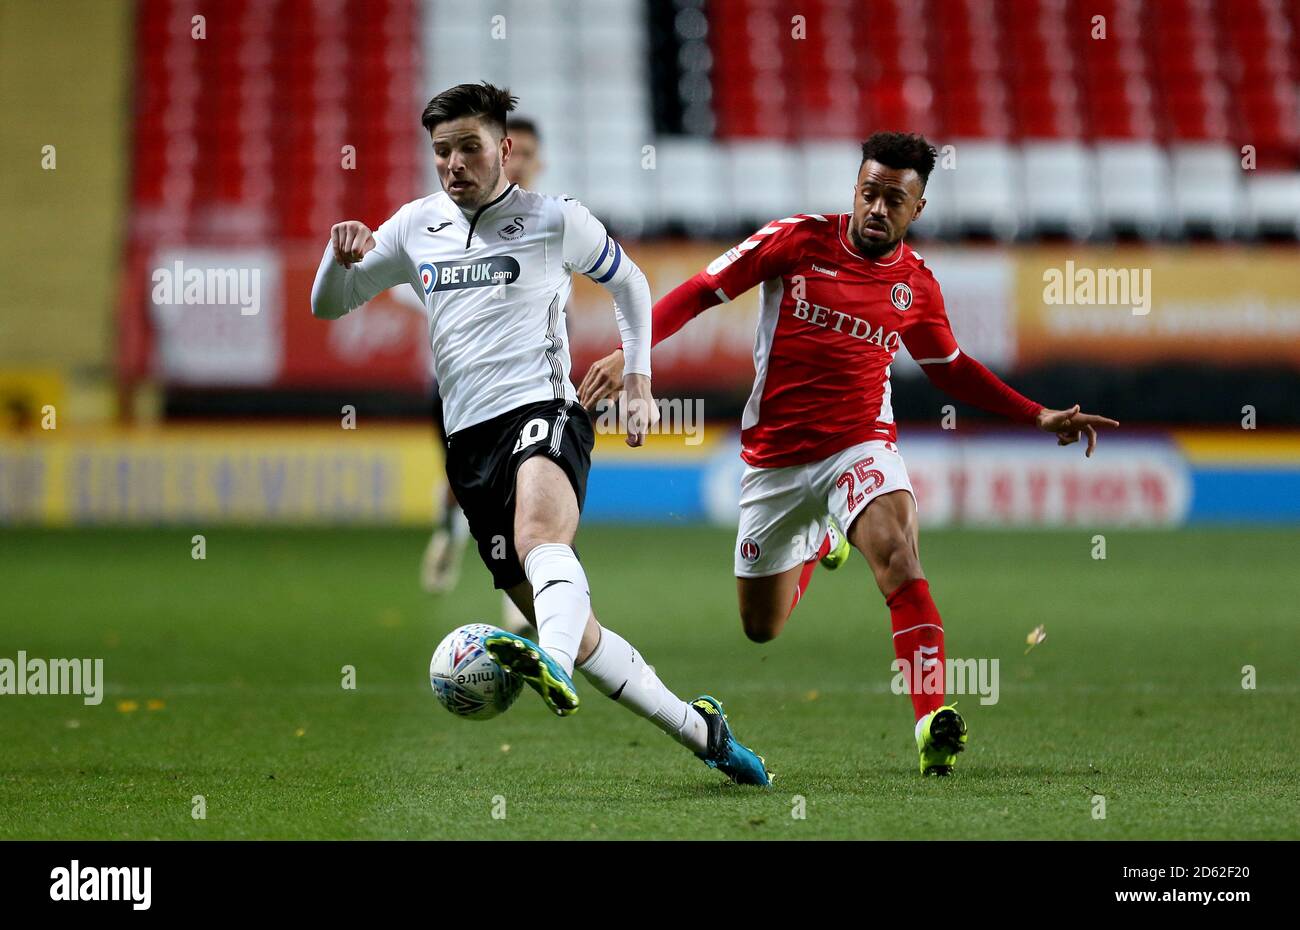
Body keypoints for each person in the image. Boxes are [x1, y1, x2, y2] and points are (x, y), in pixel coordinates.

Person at [579, 131, 1118, 776]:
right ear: (855, 190)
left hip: (859, 445)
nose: (877, 209)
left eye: (895, 199)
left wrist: (1036, 413)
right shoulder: (796, 240)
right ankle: (820, 542)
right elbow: (700, 291)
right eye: (869, 193)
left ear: (917, 208)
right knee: (761, 627)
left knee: (899, 556)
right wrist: (630, 354)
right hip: (775, 460)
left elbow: (950, 368)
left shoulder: (916, 285)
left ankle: (930, 722)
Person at [312, 82, 769, 786]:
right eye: (442, 150)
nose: (454, 163)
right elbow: (329, 305)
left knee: (539, 537)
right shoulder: (413, 226)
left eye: (469, 147)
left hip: (546, 409)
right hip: (469, 448)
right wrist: (335, 254)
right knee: (579, 630)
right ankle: (700, 729)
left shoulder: (555, 219)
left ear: (504, 148)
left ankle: (547, 663)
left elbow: (631, 284)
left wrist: (639, 379)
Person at [421, 116, 545, 639]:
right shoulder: (449, 221)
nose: (520, 164)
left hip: (525, 389)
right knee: (465, 485)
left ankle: (519, 601)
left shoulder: (548, 223)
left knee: (526, 488)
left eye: (529, 155)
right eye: (515, 153)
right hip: (460, 388)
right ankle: (448, 530)